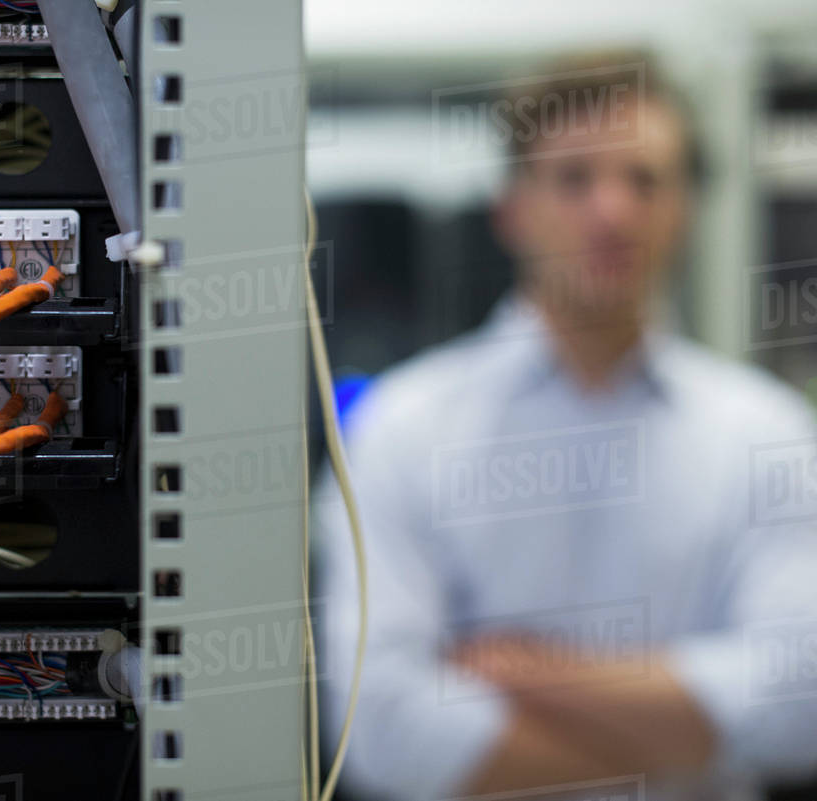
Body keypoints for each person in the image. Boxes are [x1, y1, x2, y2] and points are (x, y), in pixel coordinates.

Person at [317, 53, 817, 801]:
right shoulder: (400, 428)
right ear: (511, 207)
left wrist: (522, 669)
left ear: (684, 208)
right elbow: (384, 731)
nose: (612, 211)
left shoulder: (767, 431)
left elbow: (800, 710)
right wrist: (689, 737)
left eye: (645, 179)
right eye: (575, 178)